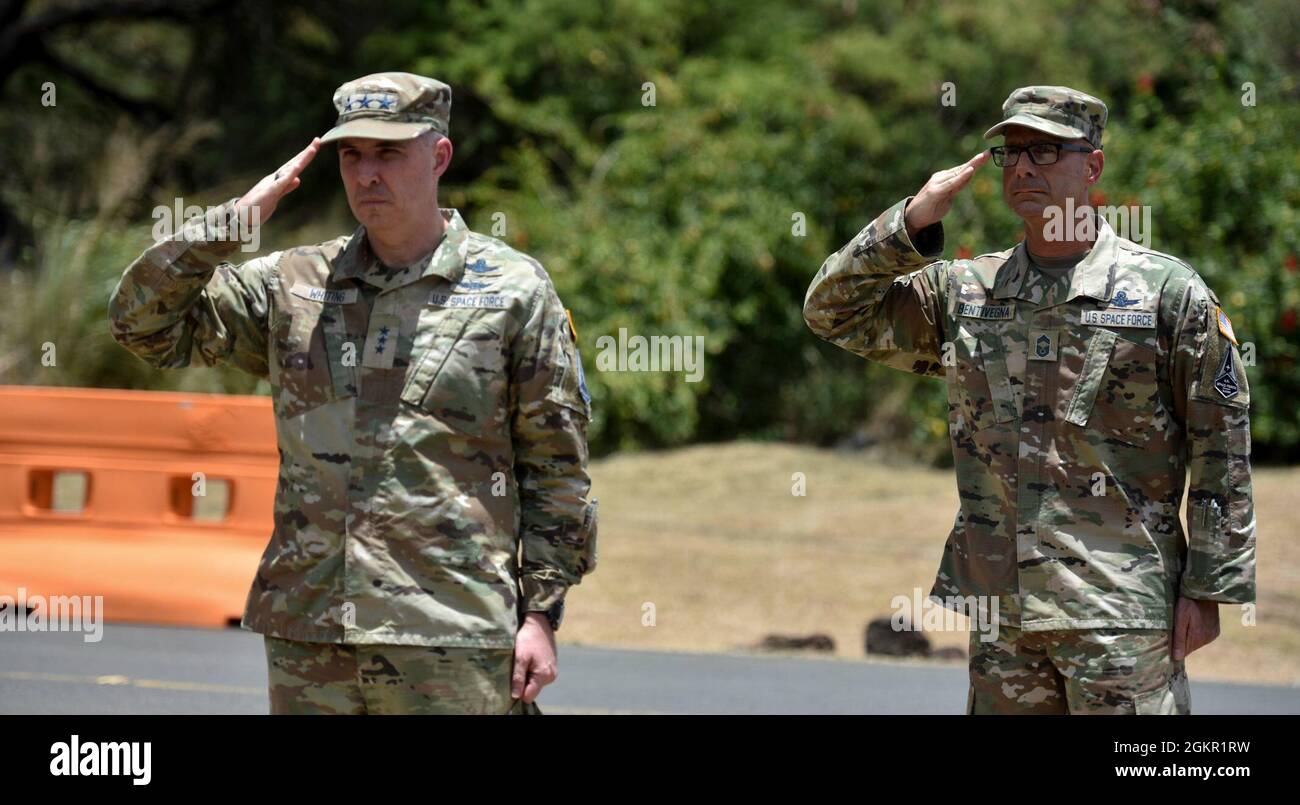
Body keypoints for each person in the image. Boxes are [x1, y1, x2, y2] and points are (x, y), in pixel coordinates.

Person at [109, 72, 597, 714]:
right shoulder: (294, 285)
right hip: (311, 632)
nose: (367, 174)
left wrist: (540, 614)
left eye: (388, 152)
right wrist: (230, 224)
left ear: (439, 156)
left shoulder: (513, 290)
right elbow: (142, 325)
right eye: (351, 155)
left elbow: (554, 466)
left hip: (451, 632)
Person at [803, 86, 1254, 714]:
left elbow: (1221, 446)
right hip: (1004, 614)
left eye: (1044, 151)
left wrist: (1208, 589)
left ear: (1092, 166)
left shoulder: (1166, 294)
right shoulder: (967, 293)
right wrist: (909, 223)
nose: (1022, 168)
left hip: (1119, 610)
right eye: (1011, 152)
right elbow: (832, 310)